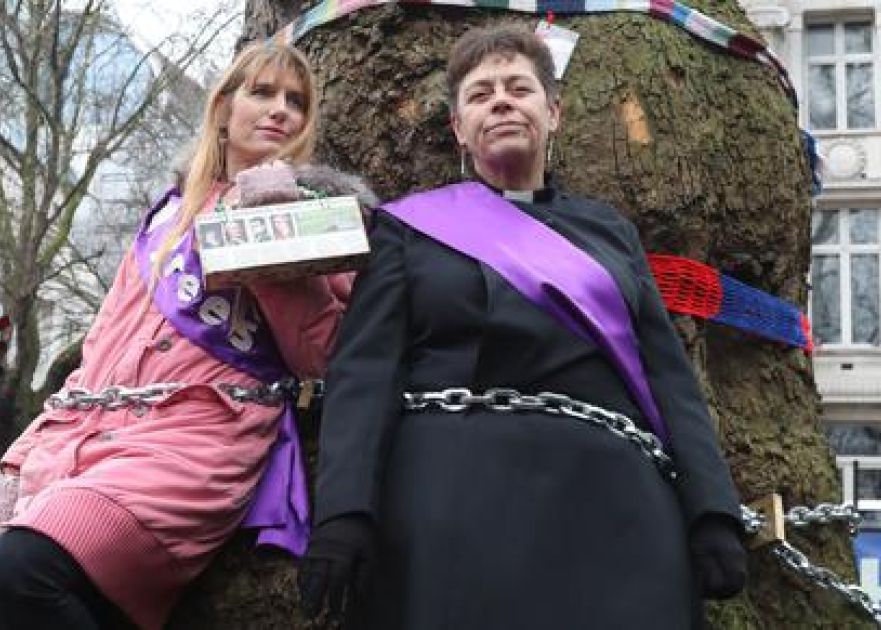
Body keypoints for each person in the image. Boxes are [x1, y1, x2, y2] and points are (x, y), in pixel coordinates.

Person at [298, 26, 746, 630]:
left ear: (553, 112)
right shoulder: (409, 230)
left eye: (518, 88)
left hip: (616, 510)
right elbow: (365, 373)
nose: (501, 101)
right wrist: (344, 513)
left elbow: (669, 376)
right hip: (448, 507)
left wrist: (712, 512)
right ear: (459, 129)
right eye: (480, 95)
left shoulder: (611, 232)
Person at [0, 42, 357, 630]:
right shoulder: (166, 216)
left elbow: (326, 354)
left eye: (297, 102)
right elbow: (94, 364)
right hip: (94, 444)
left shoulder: (314, 213)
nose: (282, 110)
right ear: (223, 108)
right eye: (263, 93)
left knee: (22, 572)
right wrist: (19, 465)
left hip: (197, 444)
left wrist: (269, 241)